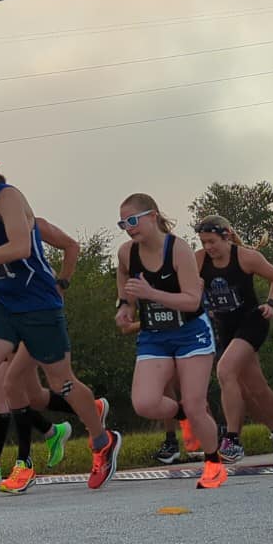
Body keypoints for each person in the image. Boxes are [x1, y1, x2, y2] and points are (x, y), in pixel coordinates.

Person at [0, 145, 119, 493]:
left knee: (61, 384)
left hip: (38, 303)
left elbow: (22, 248)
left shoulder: (8, 198)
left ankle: (102, 440)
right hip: (3, 303)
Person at [113, 194, 230, 489]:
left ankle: (214, 462)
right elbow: (125, 283)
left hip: (191, 332)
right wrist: (124, 307)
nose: (128, 228)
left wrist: (151, 294)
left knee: (195, 401)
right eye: (123, 223)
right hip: (154, 334)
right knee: (145, 403)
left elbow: (192, 301)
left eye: (133, 221)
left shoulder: (177, 249)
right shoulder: (127, 252)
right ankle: (185, 415)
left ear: (152, 216)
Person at [196, 214, 273, 463]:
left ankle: (232, 439)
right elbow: (188, 284)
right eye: (203, 242)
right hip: (226, 326)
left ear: (227, 236)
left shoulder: (245, 257)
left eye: (212, 241)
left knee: (225, 370)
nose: (208, 248)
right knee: (254, 386)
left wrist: (271, 304)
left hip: (252, 321)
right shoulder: (199, 260)